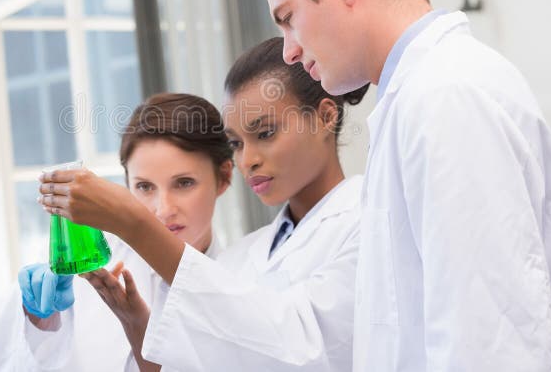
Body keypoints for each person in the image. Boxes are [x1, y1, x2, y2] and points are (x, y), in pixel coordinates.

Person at [242, 0, 551, 370]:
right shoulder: (425, 94)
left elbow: (490, 339)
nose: (288, 52)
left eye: (289, 19)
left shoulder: (446, 97)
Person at [39, 37, 368, 370]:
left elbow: (303, 349)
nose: (248, 160)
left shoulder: (367, 223)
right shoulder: (237, 258)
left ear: (324, 117)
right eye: (236, 143)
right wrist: (136, 325)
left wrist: (134, 223)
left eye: (265, 133)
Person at [0, 93, 232, 371]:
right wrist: (32, 318)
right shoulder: (88, 260)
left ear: (224, 177)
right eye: (145, 187)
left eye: (184, 183)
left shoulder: (240, 281)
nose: (163, 209)